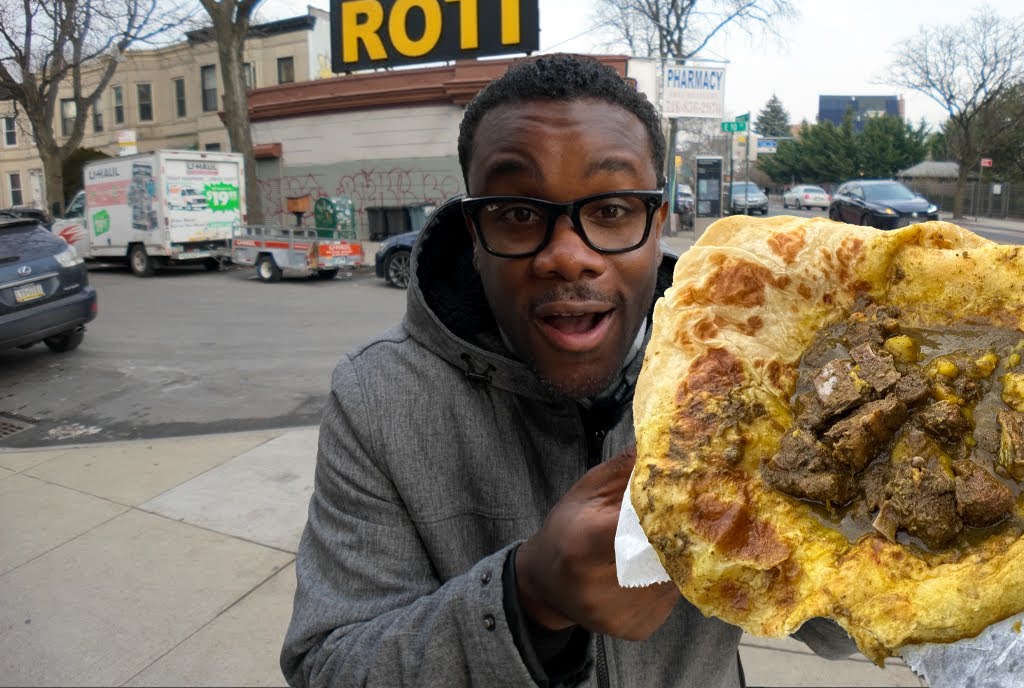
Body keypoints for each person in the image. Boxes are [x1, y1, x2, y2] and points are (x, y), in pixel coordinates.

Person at [280, 54, 852, 688]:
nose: (568, 257)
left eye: (610, 210)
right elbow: (328, 667)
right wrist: (527, 602)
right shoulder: (378, 398)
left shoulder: (753, 374)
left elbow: (844, 627)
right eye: (519, 214)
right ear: (474, 233)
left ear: (656, 223)